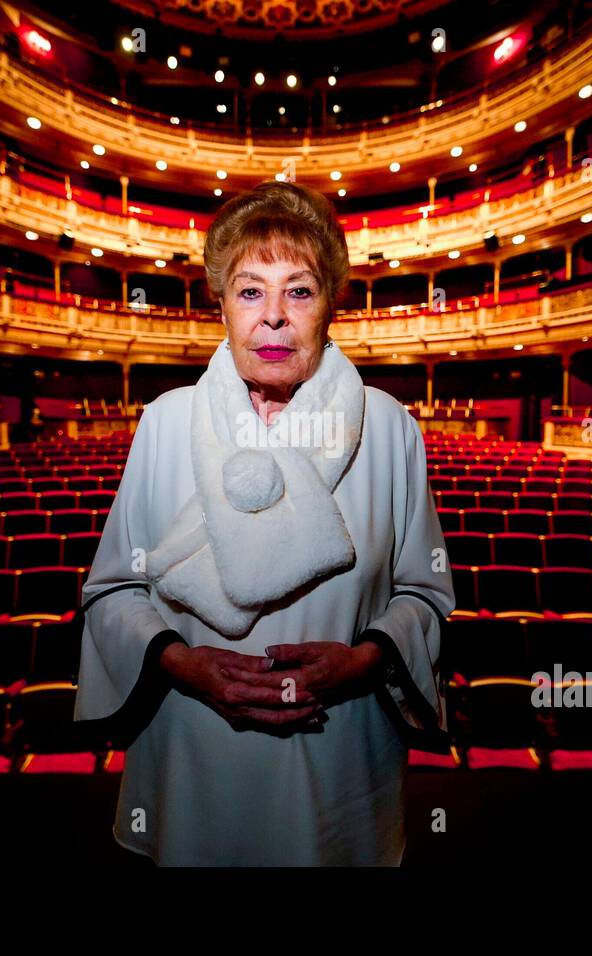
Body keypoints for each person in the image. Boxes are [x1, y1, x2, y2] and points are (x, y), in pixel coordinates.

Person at [73, 180, 455, 866]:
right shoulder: (164, 423)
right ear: (219, 305)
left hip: (340, 753)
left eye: (299, 291)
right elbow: (112, 594)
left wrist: (366, 659)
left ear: (330, 305)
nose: (273, 317)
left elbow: (423, 596)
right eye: (250, 291)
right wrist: (182, 664)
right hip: (192, 748)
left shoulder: (390, 427)